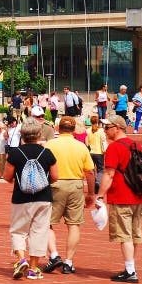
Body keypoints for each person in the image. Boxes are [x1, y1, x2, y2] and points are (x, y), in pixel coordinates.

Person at [97, 115, 142, 283]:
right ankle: (130, 267)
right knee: (134, 234)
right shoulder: (136, 145)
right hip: (139, 197)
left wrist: (99, 195)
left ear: (117, 128)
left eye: (107, 127)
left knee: (125, 235)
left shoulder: (114, 148)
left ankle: (130, 271)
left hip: (121, 196)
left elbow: (109, 174)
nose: (104, 130)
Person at [4, 119, 59, 280]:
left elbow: (7, 176)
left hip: (21, 198)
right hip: (43, 197)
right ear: (39, 134)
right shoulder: (47, 153)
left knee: (18, 230)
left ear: (22, 135)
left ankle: (22, 259)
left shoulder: (15, 153)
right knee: (39, 231)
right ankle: (33, 268)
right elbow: (55, 176)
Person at [41, 116, 96, 275]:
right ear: (73, 130)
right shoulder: (81, 147)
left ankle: (54, 254)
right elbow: (90, 172)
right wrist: (91, 193)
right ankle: (69, 262)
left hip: (54, 184)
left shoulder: (50, 145)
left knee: (46, 223)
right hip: (75, 185)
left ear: (58, 129)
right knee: (73, 224)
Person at [86, 115, 107, 193]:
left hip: (90, 152)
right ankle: (98, 182)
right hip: (99, 153)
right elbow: (104, 141)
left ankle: (93, 184)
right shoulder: (101, 131)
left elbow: (87, 143)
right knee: (100, 170)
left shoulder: (87, 131)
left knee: (91, 170)